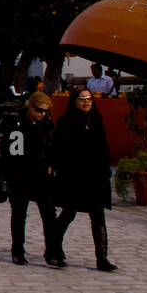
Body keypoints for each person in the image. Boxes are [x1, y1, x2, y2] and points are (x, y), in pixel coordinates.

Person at [51, 88, 117, 271]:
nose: (86, 102)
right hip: (73, 178)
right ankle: (54, 249)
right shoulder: (65, 123)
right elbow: (58, 150)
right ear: (74, 101)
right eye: (82, 99)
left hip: (95, 178)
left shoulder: (96, 120)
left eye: (89, 99)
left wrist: (105, 172)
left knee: (98, 216)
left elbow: (103, 147)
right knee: (68, 213)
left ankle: (102, 258)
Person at [0, 90, 58, 266]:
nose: (42, 114)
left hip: (42, 177)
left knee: (49, 215)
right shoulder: (17, 125)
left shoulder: (46, 124)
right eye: (39, 110)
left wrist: (50, 165)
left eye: (46, 111)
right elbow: (13, 154)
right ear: (29, 107)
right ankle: (18, 250)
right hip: (21, 176)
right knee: (19, 215)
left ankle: (52, 252)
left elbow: (51, 149)